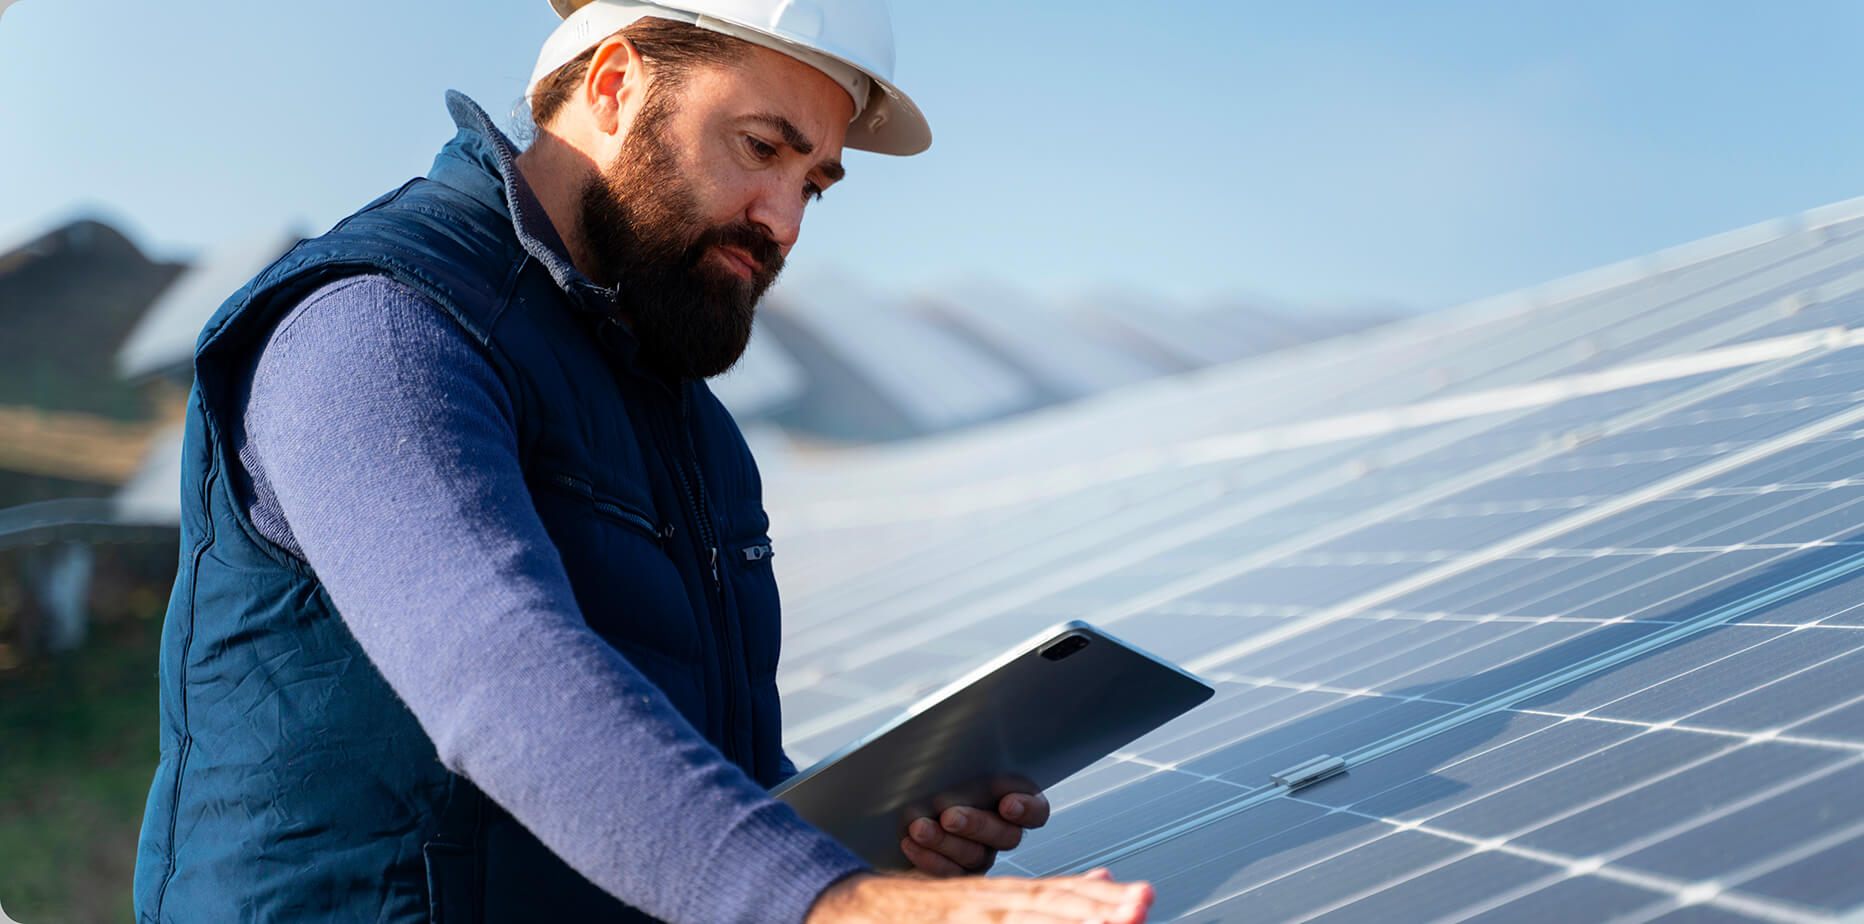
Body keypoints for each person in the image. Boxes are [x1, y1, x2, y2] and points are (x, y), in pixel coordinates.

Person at [131, 1, 1155, 922]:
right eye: (761, 147)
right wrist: (830, 902)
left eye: (815, 184)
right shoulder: (380, 327)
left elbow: (702, 772)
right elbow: (500, 678)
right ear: (616, 87)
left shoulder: (695, 430)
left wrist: (870, 847)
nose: (785, 221)